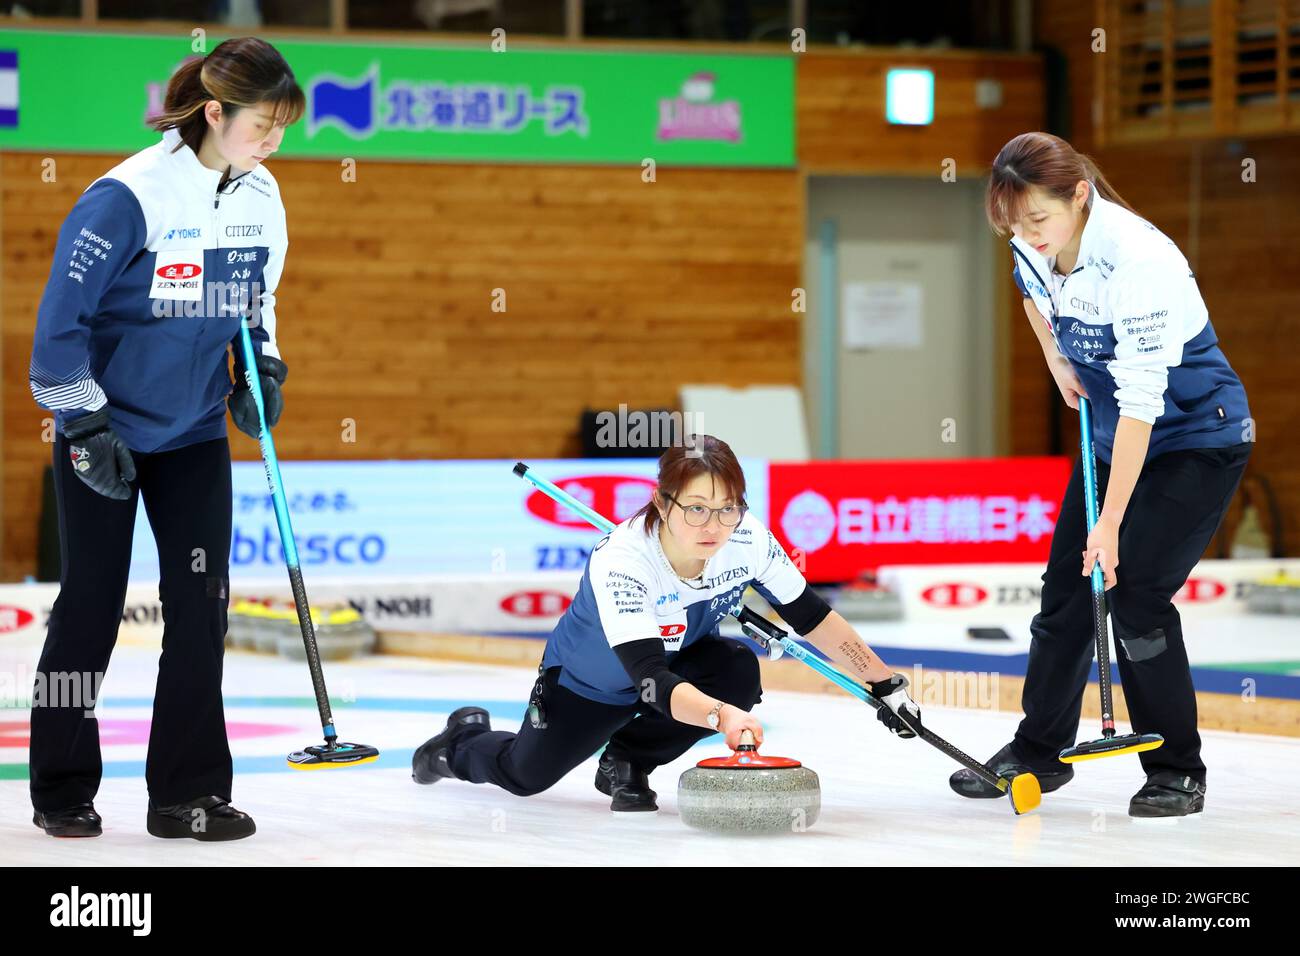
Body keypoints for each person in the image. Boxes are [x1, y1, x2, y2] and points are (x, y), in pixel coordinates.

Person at [26, 38, 303, 840]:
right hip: (103, 428)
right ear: (215, 112)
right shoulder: (128, 197)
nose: (274, 141)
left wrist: (262, 370)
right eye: (263, 124)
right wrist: (84, 422)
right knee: (91, 606)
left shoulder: (263, 195)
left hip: (192, 432)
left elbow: (257, 303)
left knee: (201, 604)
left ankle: (188, 793)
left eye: (283, 127)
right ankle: (61, 788)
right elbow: (57, 331)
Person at [951, 132, 1253, 817]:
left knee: (1134, 593)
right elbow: (1029, 292)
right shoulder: (1032, 240)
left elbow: (1145, 403)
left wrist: (1109, 524)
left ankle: (1176, 770)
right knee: (1066, 592)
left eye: (1038, 218)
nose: (1028, 234)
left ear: (1079, 195)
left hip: (1194, 438)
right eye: (1014, 223)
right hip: (1113, 435)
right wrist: (1056, 359)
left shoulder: (1142, 262)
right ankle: (1039, 752)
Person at [412, 435, 922, 810]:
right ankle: (457, 743)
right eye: (696, 509)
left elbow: (812, 616)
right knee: (524, 776)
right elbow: (650, 681)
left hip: (679, 665)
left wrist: (885, 684)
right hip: (591, 684)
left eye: (727, 508)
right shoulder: (623, 561)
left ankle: (627, 760)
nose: (714, 526)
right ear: (661, 501)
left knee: (736, 669)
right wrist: (722, 718)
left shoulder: (748, 539)